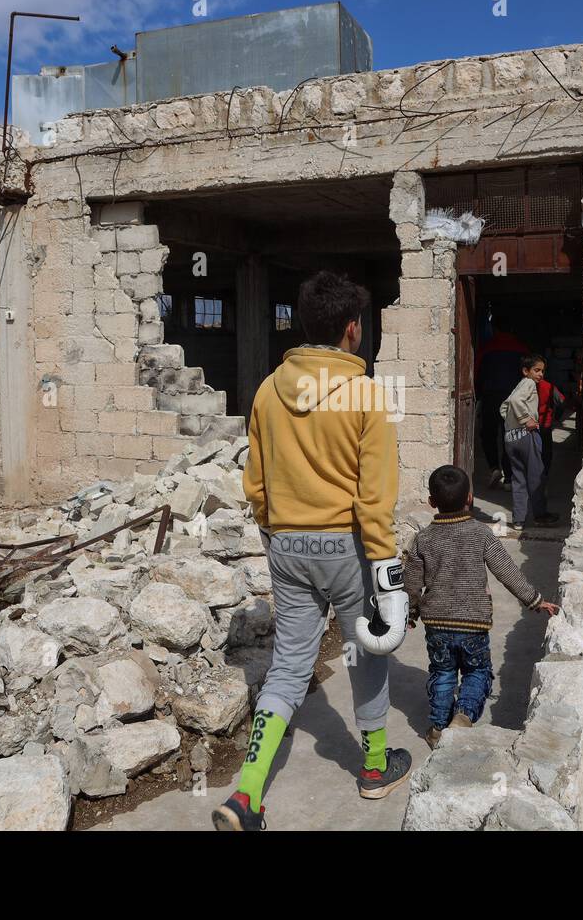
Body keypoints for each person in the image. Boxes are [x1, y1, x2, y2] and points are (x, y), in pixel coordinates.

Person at [213, 270, 412, 831]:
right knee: (366, 653)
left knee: (288, 668)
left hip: (287, 544)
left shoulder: (268, 391)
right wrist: (386, 569)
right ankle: (374, 767)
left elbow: (255, 485)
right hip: (348, 548)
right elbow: (375, 500)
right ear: (351, 329)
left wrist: (275, 533)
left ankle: (246, 794)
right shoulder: (366, 396)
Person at [403, 465, 559, 748]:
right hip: (473, 624)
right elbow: (506, 570)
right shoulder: (481, 534)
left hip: (437, 624)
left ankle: (438, 728)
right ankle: (463, 717)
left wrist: (410, 613)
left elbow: (412, 583)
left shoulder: (422, 539)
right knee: (477, 671)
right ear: (471, 498)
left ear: (431, 502)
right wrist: (534, 600)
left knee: (442, 672)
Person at [499, 353, 559, 530]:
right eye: (537, 370)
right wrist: (526, 419)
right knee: (537, 476)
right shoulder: (529, 383)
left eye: (542, 371)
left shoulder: (517, 386)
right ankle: (540, 515)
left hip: (511, 438)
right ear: (526, 371)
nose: (540, 374)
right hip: (526, 435)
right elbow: (517, 401)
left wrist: (511, 422)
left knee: (518, 478)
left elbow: (504, 407)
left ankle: (518, 520)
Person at [475, 316, 528, 489]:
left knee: (488, 434)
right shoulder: (522, 350)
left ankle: (494, 468)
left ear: (496, 329)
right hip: (513, 400)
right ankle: (509, 477)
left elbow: (476, 373)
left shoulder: (486, 349)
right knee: (510, 435)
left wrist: (477, 395)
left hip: (490, 397)